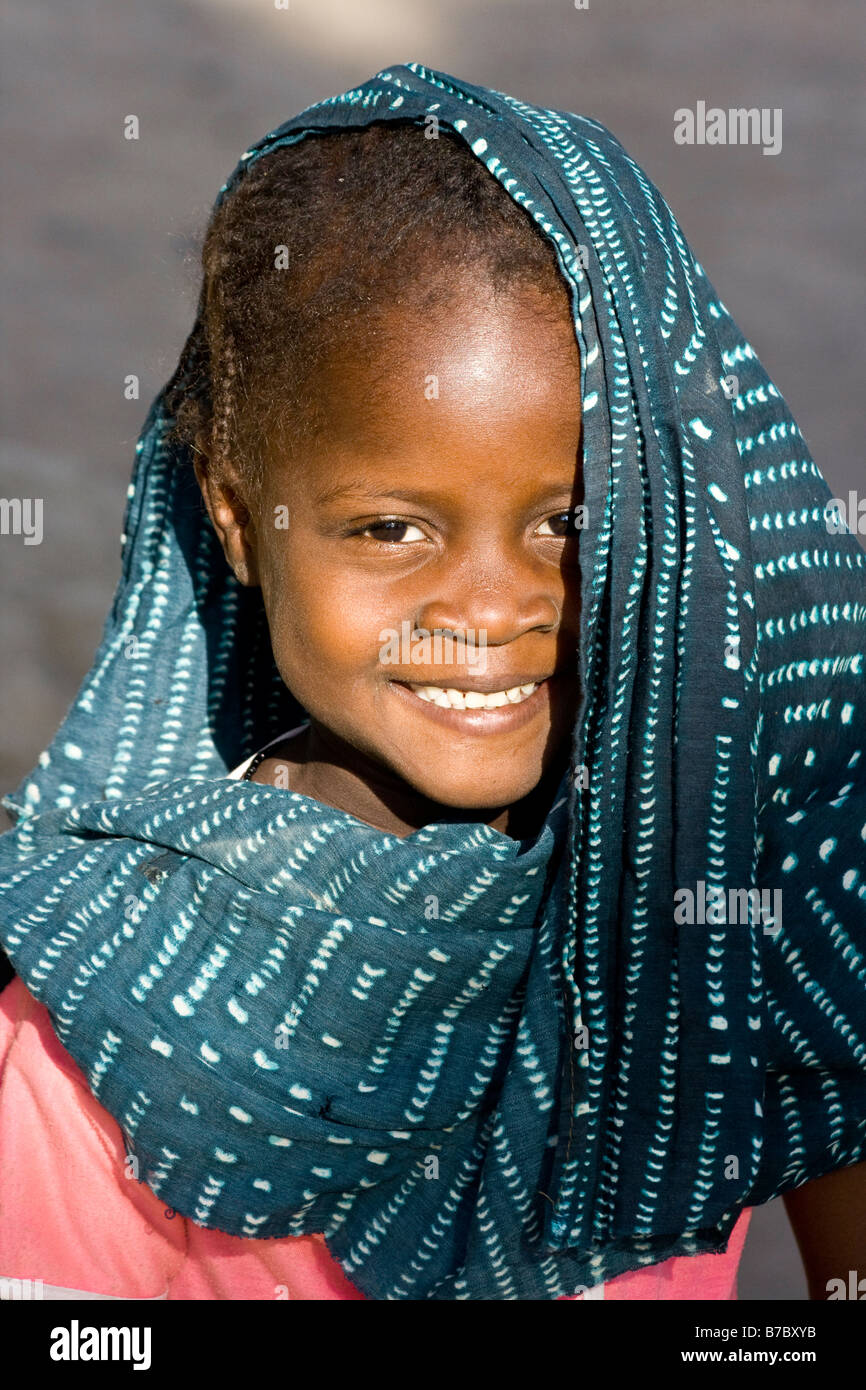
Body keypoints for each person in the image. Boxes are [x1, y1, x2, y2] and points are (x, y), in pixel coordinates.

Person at [0, 63, 863, 1301]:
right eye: (389, 529)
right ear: (238, 519)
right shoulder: (113, 1006)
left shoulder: (728, 908)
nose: (491, 609)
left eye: (569, 519)